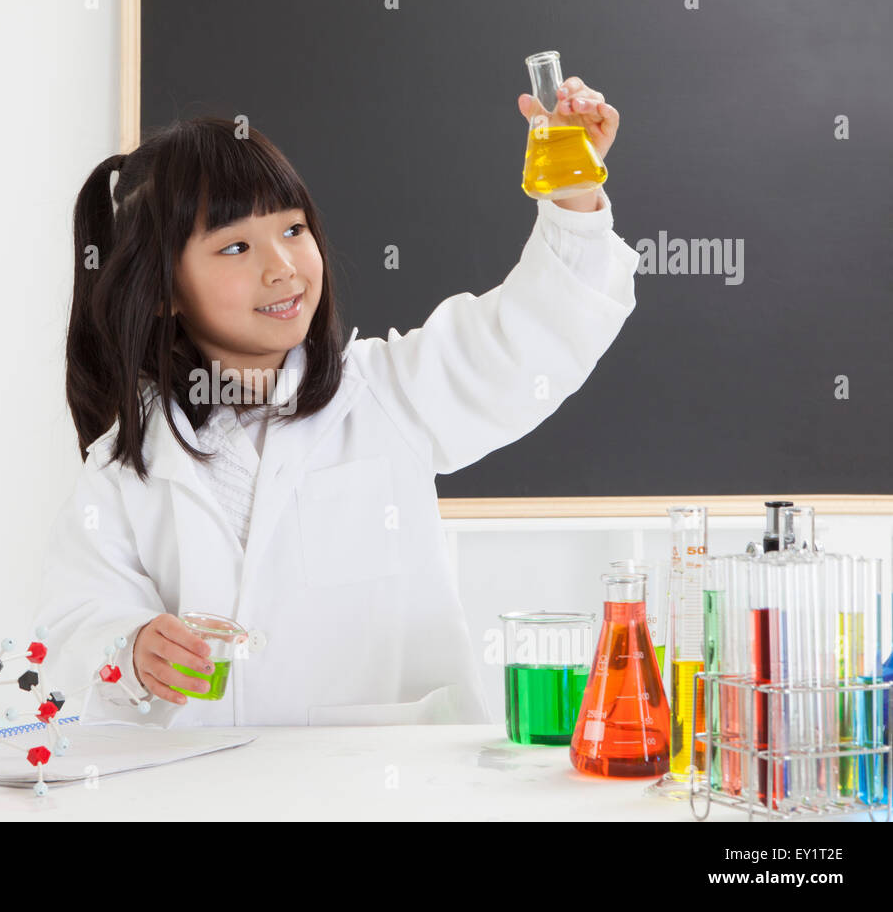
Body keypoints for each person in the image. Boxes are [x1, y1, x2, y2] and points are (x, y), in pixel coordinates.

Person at [36, 79, 638, 727]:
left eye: (292, 229)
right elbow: (72, 621)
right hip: (211, 789)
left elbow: (532, 337)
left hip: (382, 783)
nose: (283, 267)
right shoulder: (123, 467)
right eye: (235, 246)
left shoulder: (389, 391)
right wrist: (129, 649)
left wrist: (574, 200)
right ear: (163, 289)